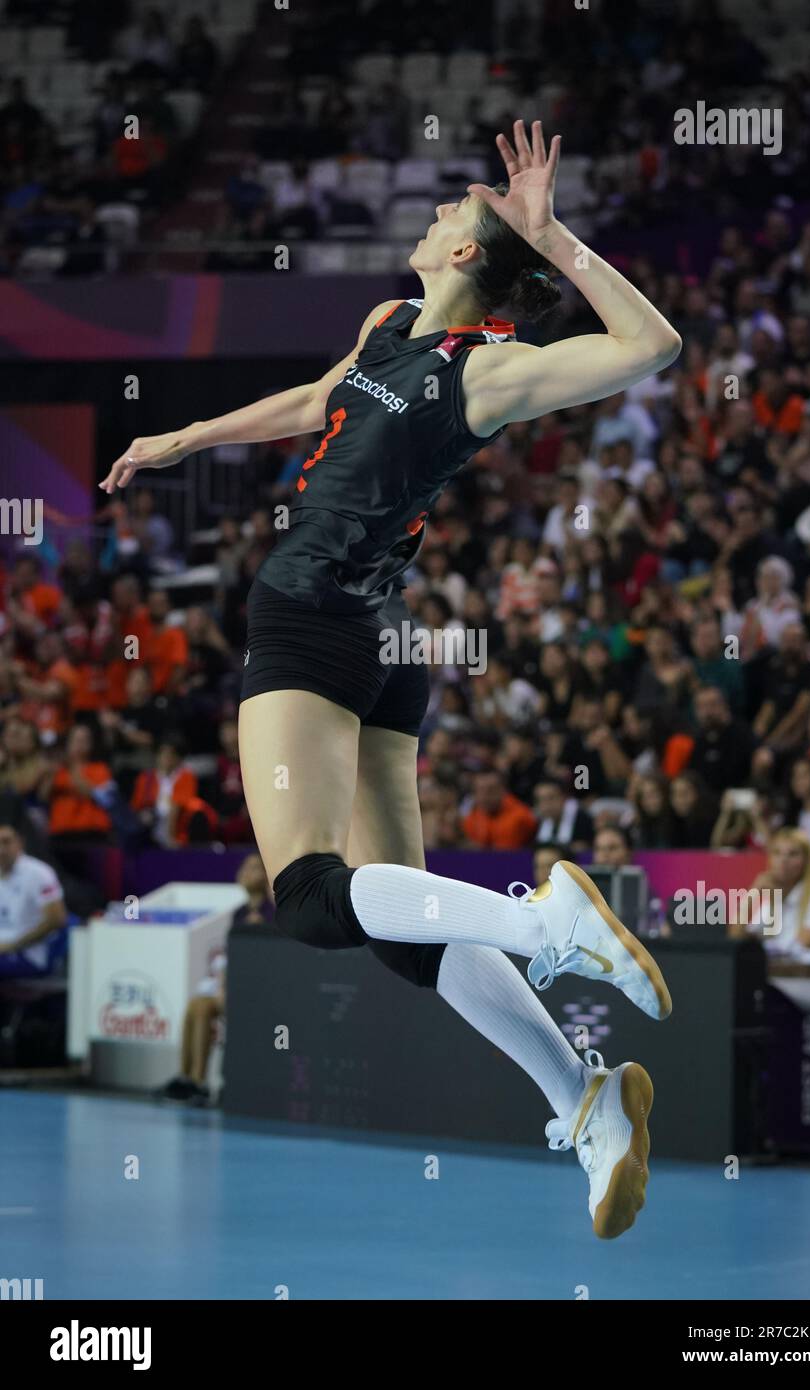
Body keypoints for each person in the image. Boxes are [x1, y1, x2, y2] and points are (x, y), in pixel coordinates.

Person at [100, 120, 680, 1241]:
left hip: (312, 623)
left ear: (467, 255)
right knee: (407, 933)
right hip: (378, 648)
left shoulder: (491, 371)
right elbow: (321, 402)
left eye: (447, 213)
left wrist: (553, 236)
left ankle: (549, 922)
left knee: (314, 899)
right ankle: (584, 1097)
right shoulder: (388, 328)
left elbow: (651, 346)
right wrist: (186, 436)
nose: (428, 216)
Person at [157, 853, 270, 1103]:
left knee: (204, 1008)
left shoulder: (273, 913)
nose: (248, 872)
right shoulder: (239, 914)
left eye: (255, 868)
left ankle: (199, 1082)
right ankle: (186, 1077)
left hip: (260, 994)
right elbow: (230, 959)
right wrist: (222, 986)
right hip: (232, 989)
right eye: (246, 867)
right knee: (195, 1005)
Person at [738, 827, 810, 957]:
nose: (784, 859)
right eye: (777, 853)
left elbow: (796, 950)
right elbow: (736, 939)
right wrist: (752, 894)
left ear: (806, 861)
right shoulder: (770, 903)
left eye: (793, 854)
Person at [0, 821, 66, 974]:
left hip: (26, 953)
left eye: (6, 842)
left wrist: (12, 945)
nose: (1, 849)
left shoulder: (39, 873)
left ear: (20, 843)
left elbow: (56, 919)